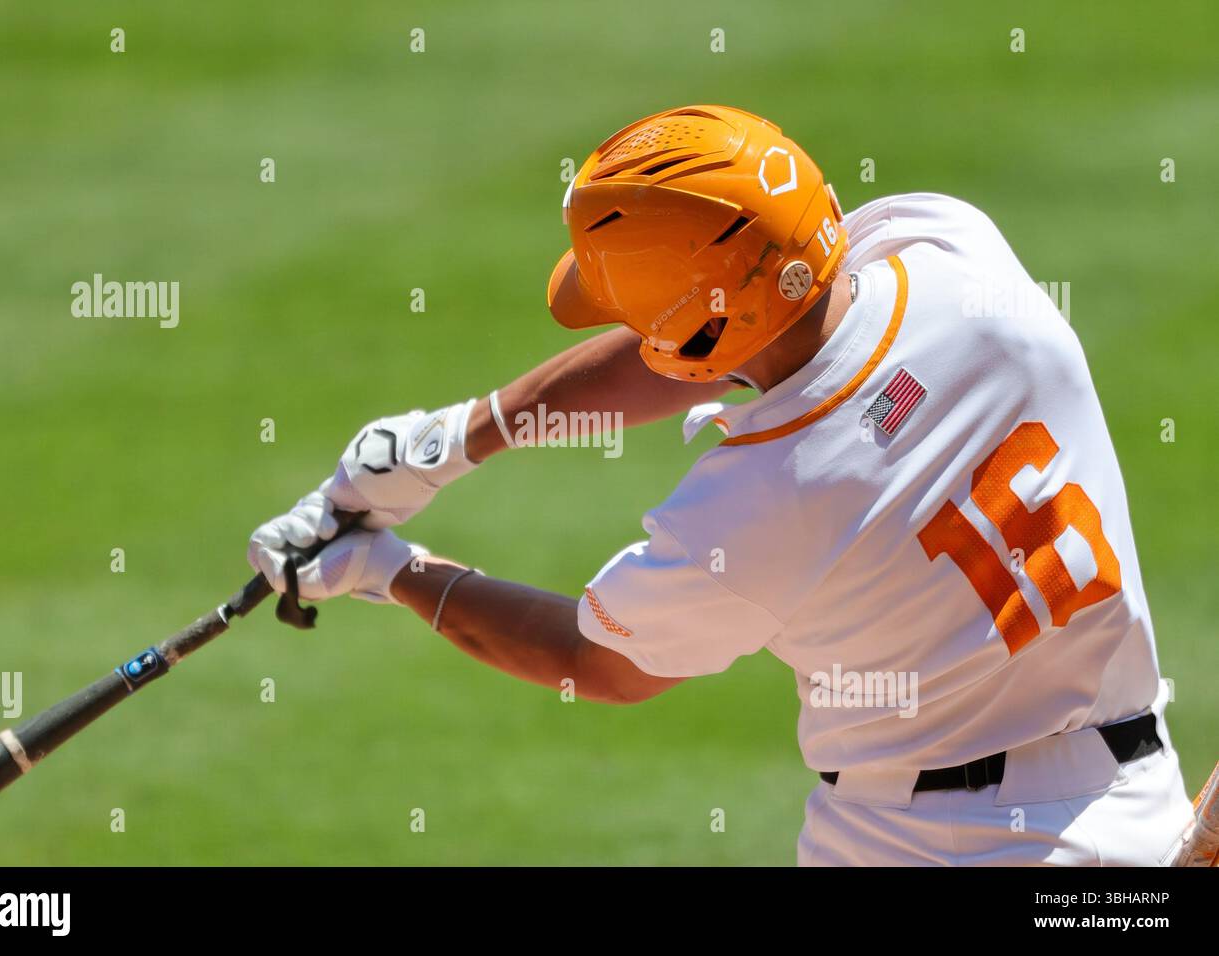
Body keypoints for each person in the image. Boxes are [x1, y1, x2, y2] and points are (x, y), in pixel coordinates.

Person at [247, 105, 1193, 866]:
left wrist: (391, 571)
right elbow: (750, 320)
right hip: (1140, 806)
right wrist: (453, 439)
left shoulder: (756, 507)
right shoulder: (950, 252)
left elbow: (597, 666)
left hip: (919, 848)